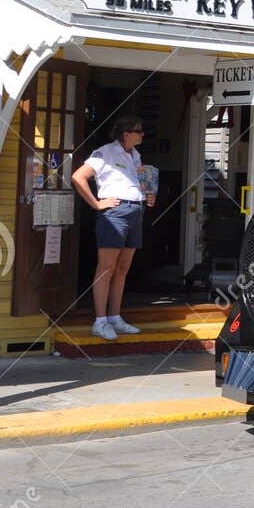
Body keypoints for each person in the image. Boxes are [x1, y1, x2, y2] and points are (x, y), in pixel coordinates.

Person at [71, 116, 156, 341]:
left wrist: (148, 195)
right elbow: (79, 177)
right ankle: (100, 321)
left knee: (122, 269)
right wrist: (96, 204)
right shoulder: (105, 152)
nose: (142, 134)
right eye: (138, 131)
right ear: (126, 134)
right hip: (115, 214)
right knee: (106, 268)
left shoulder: (135, 155)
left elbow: (139, 182)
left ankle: (115, 317)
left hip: (136, 211)